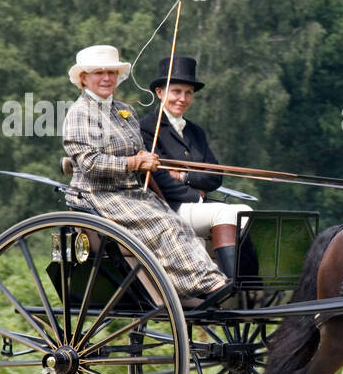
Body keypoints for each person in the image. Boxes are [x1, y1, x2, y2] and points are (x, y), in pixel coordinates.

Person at [60, 44, 229, 300]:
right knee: (162, 224)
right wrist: (134, 163)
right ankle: (205, 284)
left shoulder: (124, 111)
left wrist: (147, 159)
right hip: (98, 194)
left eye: (111, 72)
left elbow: (138, 150)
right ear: (84, 78)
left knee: (177, 222)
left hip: (132, 192)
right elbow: (90, 163)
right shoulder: (80, 113)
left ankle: (196, 285)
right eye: (99, 72)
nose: (106, 78)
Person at [138, 55, 252, 278]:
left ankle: (247, 282)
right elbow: (159, 179)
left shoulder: (195, 132)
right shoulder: (146, 128)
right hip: (166, 208)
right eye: (176, 91)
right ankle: (229, 283)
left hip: (196, 207)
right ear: (160, 92)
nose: (182, 98)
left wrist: (184, 176)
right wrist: (195, 195)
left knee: (245, 212)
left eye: (188, 93)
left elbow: (215, 176)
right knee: (224, 212)